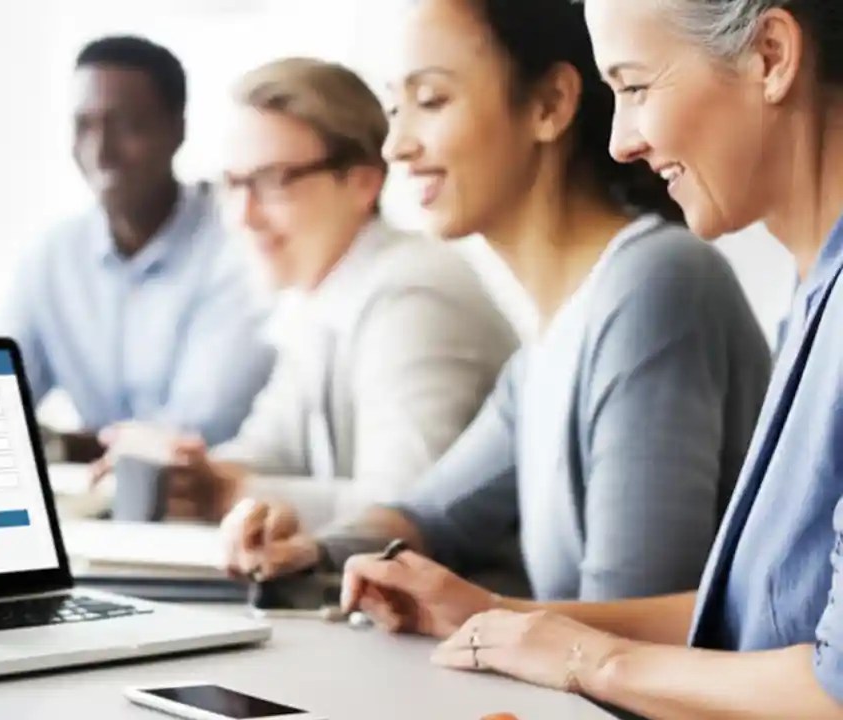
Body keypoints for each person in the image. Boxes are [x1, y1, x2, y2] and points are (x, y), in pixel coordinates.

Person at [337, 0, 843, 717]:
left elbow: (834, 687)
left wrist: (587, 657)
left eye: (634, 88)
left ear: (770, 55)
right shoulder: (814, 295)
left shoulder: (666, 282)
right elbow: (756, 618)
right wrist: (492, 616)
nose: (620, 141)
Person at [225, 0, 772, 605]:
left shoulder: (656, 284)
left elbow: (630, 613)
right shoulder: (551, 333)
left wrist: (476, 618)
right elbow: (431, 514)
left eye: (431, 101)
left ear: (549, 105)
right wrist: (311, 552)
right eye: (394, 109)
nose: (396, 147)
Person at [120, 57, 519, 526]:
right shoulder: (319, 296)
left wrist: (229, 494)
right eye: (233, 184)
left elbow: (406, 511)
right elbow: (273, 445)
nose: (242, 215)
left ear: (363, 182)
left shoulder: (413, 298)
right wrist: (189, 475)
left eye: (272, 181)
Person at [0, 36, 274, 462]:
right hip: (102, 508)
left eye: (125, 125)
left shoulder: (239, 244)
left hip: (202, 513)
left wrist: (58, 444)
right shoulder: (51, 257)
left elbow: (194, 434)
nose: (101, 150)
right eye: (84, 125)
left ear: (176, 130)